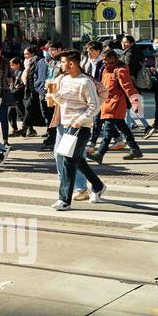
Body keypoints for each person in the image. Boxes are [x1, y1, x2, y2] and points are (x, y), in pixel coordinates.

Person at [49, 50, 105, 210]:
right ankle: (98, 185)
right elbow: (62, 101)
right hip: (67, 125)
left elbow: (94, 106)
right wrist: (54, 93)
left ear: (72, 64)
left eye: (63, 62)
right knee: (77, 160)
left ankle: (64, 200)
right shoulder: (65, 79)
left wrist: (79, 121)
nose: (60, 64)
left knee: (66, 159)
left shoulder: (85, 82)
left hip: (80, 127)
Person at [87, 49, 143, 163]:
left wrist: (136, 103)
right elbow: (102, 86)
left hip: (115, 104)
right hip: (106, 103)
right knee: (123, 127)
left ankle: (100, 153)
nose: (104, 62)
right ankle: (135, 149)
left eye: (106, 60)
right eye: (103, 60)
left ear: (113, 58)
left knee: (108, 131)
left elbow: (128, 88)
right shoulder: (106, 70)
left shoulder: (120, 70)